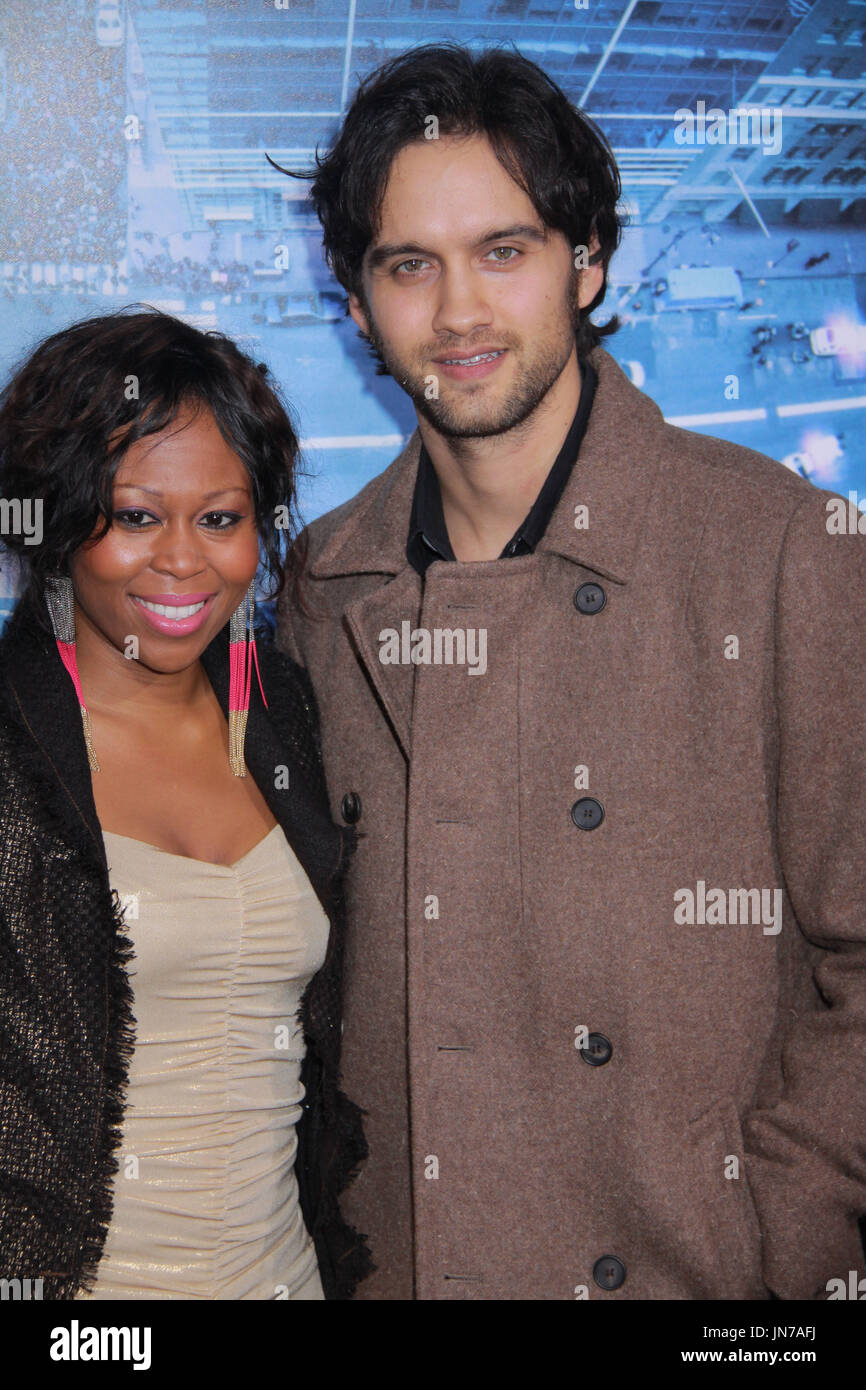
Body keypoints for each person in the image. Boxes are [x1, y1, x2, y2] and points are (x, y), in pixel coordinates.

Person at [274, 43, 866, 1300]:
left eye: (505, 250)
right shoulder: (322, 588)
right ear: (357, 297)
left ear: (586, 262)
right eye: (407, 265)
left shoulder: (777, 548)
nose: (458, 315)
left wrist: (782, 1242)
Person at [0, 307, 372, 1300]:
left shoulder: (284, 706)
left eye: (220, 516)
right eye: (132, 515)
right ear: (55, 518)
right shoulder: (9, 752)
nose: (182, 560)